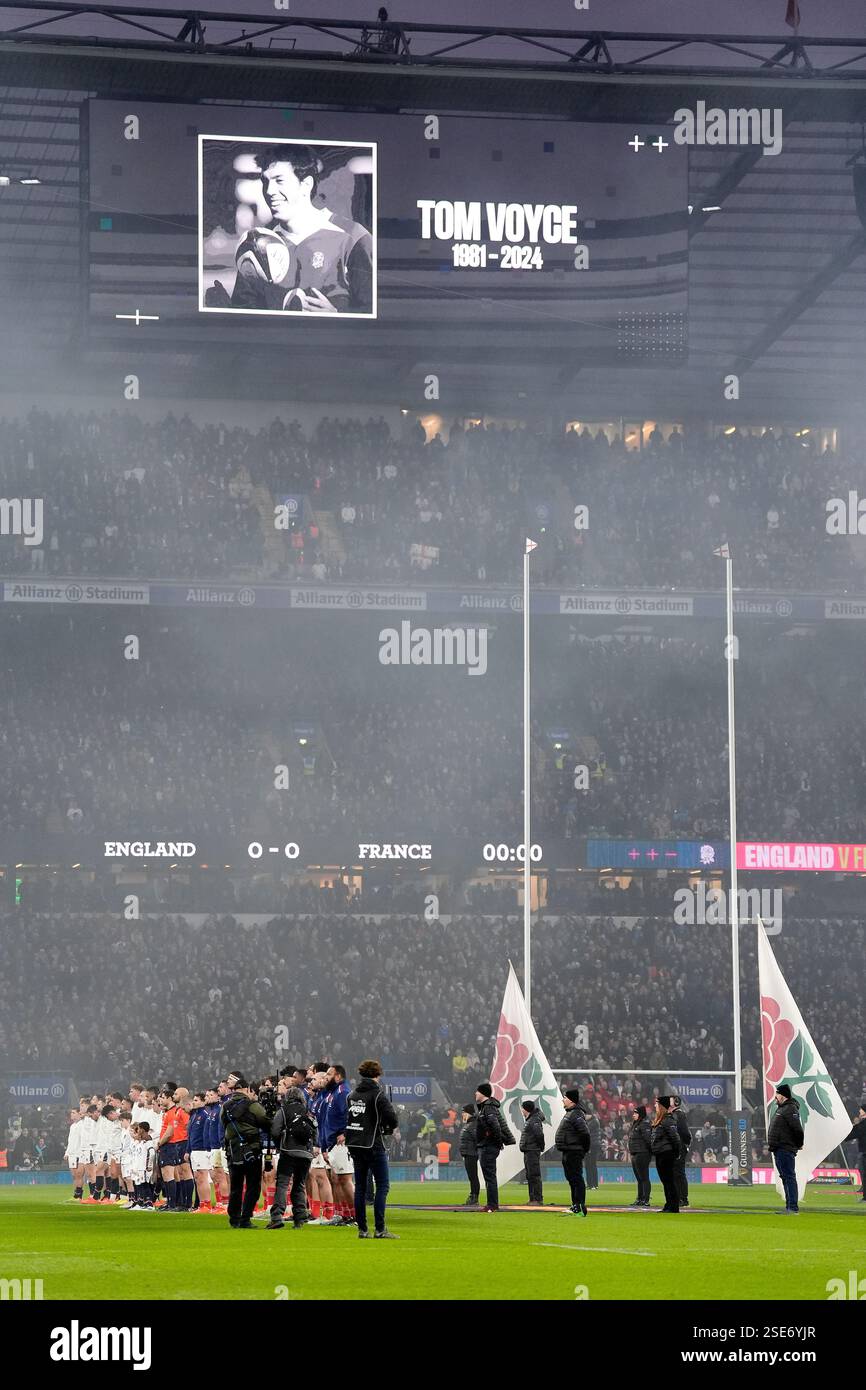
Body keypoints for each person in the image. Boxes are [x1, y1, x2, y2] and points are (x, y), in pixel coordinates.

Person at [220, 145, 373, 315]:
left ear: (306, 184)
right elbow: (246, 321)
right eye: (265, 182)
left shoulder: (354, 237)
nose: (269, 191)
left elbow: (376, 316)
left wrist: (338, 316)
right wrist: (224, 310)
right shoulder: (255, 245)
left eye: (279, 180)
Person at [345, 1058, 400, 1239]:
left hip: (354, 1144)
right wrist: (386, 1125)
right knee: (382, 1185)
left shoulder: (352, 1095)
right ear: (378, 1074)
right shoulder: (378, 1094)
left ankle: (362, 1229)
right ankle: (380, 1228)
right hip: (373, 1144)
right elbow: (392, 1119)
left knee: (360, 1187)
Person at [221, 1073, 271, 1228]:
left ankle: (234, 1218)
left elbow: (224, 1126)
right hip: (252, 1150)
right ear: (247, 1089)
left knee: (235, 1186)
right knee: (252, 1186)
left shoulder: (225, 1106)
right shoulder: (253, 1105)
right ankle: (245, 1218)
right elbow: (267, 1124)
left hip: (233, 1151)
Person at [267, 1084, 315, 1230]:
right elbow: (314, 1131)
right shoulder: (308, 1112)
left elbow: (275, 1131)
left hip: (288, 1151)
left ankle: (277, 1217)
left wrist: (279, 1144)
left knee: (282, 1183)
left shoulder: (283, 1110)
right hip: (306, 1154)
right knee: (299, 1184)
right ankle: (300, 1218)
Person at [474, 1082, 515, 1213]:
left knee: (489, 1176)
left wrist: (497, 1142)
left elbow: (495, 1126)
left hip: (488, 1146)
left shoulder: (488, 1108)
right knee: (489, 1176)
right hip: (487, 1145)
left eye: (477, 1091)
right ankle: (492, 1204)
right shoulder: (486, 1107)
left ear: (483, 1093)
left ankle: (492, 1205)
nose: (475, 1093)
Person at [767, 1083, 804, 1214]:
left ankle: (793, 1207)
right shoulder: (783, 1109)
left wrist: (799, 1144)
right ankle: (789, 1206)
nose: (775, 1097)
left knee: (789, 1177)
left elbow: (798, 1129)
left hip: (785, 1148)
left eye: (777, 1094)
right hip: (779, 1148)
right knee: (785, 1177)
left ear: (783, 1096)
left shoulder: (790, 1109)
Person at [554, 1088, 591, 1216]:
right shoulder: (570, 1113)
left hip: (574, 1151)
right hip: (568, 1150)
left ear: (571, 1100)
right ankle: (575, 1205)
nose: (563, 1099)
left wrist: (584, 1149)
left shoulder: (576, 1114)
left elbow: (585, 1133)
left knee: (576, 1179)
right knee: (572, 1179)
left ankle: (580, 1207)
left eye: (565, 1097)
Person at [650, 1096, 682, 1213]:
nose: (655, 1106)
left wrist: (676, 1153)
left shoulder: (668, 1120)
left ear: (662, 1106)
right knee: (665, 1181)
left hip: (667, 1154)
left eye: (657, 1104)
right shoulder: (661, 1120)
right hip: (660, 1154)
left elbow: (675, 1138)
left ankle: (673, 1206)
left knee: (669, 1180)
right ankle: (669, 1204)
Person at [519, 1100, 545, 1205]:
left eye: (522, 1108)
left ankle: (537, 1199)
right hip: (529, 1150)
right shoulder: (531, 1119)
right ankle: (532, 1198)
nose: (521, 1110)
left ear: (526, 1109)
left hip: (532, 1150)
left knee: (534, 1175)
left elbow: (539, 1135)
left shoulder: (534, 1120)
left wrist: (540, 1147)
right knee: (530, 1175)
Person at [627, 1104, 653, 1208]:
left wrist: (649, 1152)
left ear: (641, 1114)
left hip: (642, 1153)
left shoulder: (644, 1124)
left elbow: (648, 1140)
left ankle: (645, 1199)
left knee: (644, 1177)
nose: (633, 1115)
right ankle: (640, 1198)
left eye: (636, 1113)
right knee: (639, 1178)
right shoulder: (636, 1124)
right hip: (635, 1153)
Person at [670, 1095, 692, 1209]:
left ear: (675, 1103)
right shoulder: (673, 1115)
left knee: (678, 1173)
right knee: (675, 1173)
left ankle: (683, 1199)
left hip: (678, 1147)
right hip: (673, 1147)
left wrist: (685, 1144)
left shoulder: (679, 1115)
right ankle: (678, 1197)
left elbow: (684, 1132)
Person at [458, 1103, 480, 1207]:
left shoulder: (473, 1125)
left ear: (469, 1113)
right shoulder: (470, 1124)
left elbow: (477, 1139)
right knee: (472, 1177)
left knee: (473, 1176)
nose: (462, 1115)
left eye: (464, 1113)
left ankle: (474, 1198)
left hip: (471, 1154)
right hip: (468, 1153)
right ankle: (473, 1197)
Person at [847, 1105, 866, 1201]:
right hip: (863, 1152)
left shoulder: (863, 1124)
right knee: (862, 1170)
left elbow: (854, 1133)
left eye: (861, 1110)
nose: (859, 1112)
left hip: (864, 1152)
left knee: (864, 1172)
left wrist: (842, 1135)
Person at [584, 1106, 601, 1190]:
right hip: (589, 1145)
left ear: (589, 1114)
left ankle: (593, 1184)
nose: (584, 1116)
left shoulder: (593, 1122)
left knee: (591, 1164)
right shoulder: (592, 1121)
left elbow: (586, 1131)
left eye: (585, 1114)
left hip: (592, 1145)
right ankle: (591, 1184)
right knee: (588, 1165)